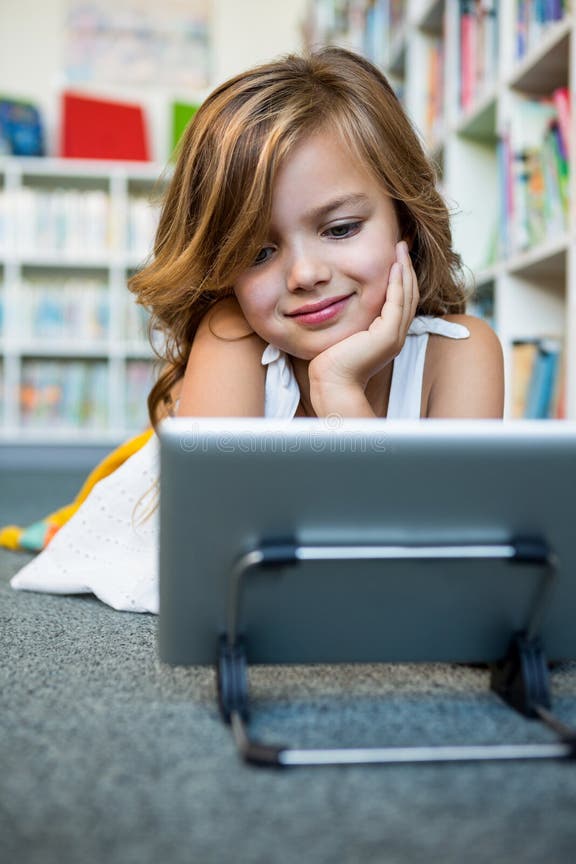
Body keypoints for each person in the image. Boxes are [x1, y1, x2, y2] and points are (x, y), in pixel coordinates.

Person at [10, 47, 504, 612]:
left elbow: (452, 573)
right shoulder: (233, 332)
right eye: (259, 251)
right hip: (166, 518)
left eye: (341, 229)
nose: (305, 274)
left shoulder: (465, 353)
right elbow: (216, 560)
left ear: (405, 222)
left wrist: (339, 393)